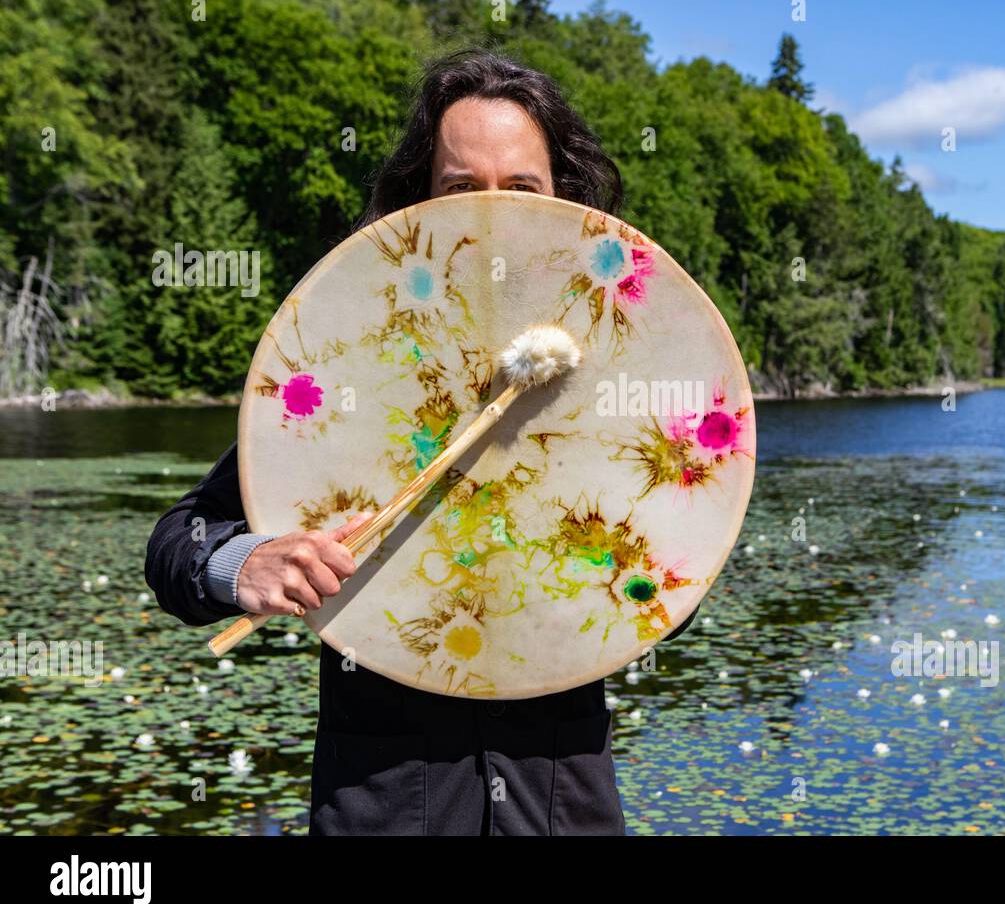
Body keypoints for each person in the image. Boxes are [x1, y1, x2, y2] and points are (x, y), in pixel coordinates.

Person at [146, 49, 697, 835]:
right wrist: (243, 563)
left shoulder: (615, 369)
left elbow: (676, 570)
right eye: (461, 189)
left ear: (568, 202)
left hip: (560, 806)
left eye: (523, 189)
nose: (494, 213)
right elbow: (177, 542)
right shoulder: (351, 362)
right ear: (418, 202)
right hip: (386, 804)